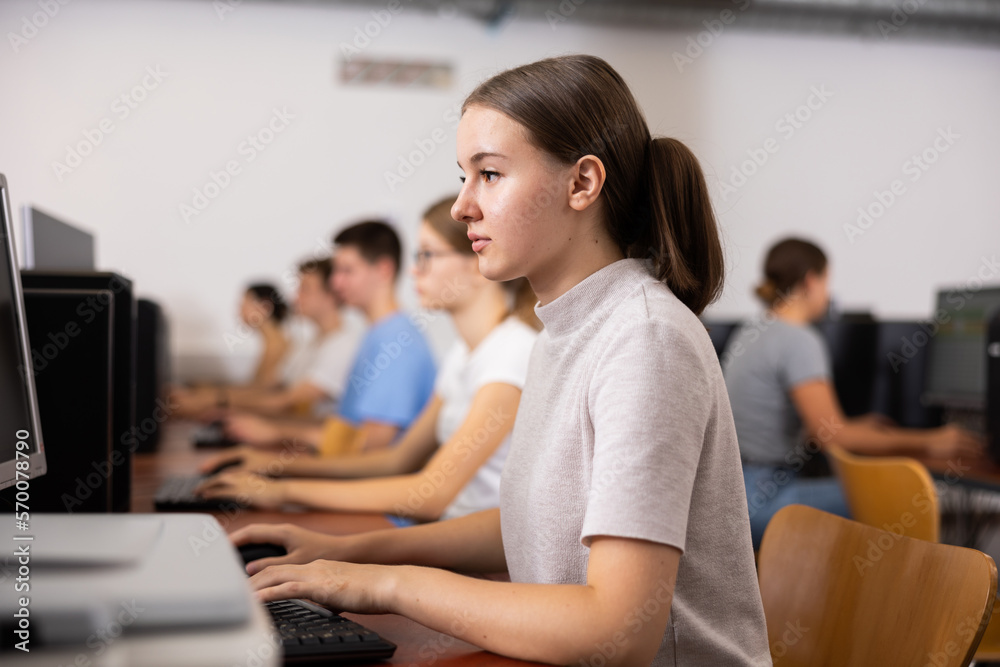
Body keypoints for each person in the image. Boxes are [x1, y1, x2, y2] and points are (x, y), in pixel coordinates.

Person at [228, 54, 770, 666]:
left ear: (582, 184)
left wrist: (389, 585)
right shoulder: (564, 330)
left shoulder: (644, 340)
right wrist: (357, 552)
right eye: (463, 176)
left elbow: (618, 631)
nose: (462, 208)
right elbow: (530, 527)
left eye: (488, 174)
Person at [197, 196, 541, 522]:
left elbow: (428, 491)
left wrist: (282, 486)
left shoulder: (509, 352)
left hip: (465, 547)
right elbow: (396, 459)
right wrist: (273, 469)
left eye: (426, 256)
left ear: (478, 260)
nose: (414, 272)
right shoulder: (462, 355)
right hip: (441, 530)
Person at [723, 237, 983, 548]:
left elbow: (809, 429)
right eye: (826, 282)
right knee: (893, 495)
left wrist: (862, 427)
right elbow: (831, 436)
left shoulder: (752, 331)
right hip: (765, 497)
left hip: (735, 492)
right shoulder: (798, 340)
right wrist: (931, 440)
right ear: (811, 280)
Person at [225, 220, 437, 455]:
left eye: (347, 271)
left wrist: (278, 440)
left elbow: (370, 447)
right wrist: (274, 430)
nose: (335, 283)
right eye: (336, 271)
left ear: (383, 270)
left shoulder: (397, 342)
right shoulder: (376, 334)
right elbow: (346, 429)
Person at [173, 261, 361, 419]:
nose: (295, 297)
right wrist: (205, 394)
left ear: (331, 295)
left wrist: (211, 401)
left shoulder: (342, 345)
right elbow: (271, 390)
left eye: (305, 289)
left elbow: (286, 402)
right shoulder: (310, 344)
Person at [172, 282, 291, 417]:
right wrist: (201, 389)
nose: (239, 311)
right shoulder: (272, 343)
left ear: (265, 307)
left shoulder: (278, 346)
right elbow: (255, 389)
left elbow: (264, 396)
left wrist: (209, 399)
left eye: (243, 304)